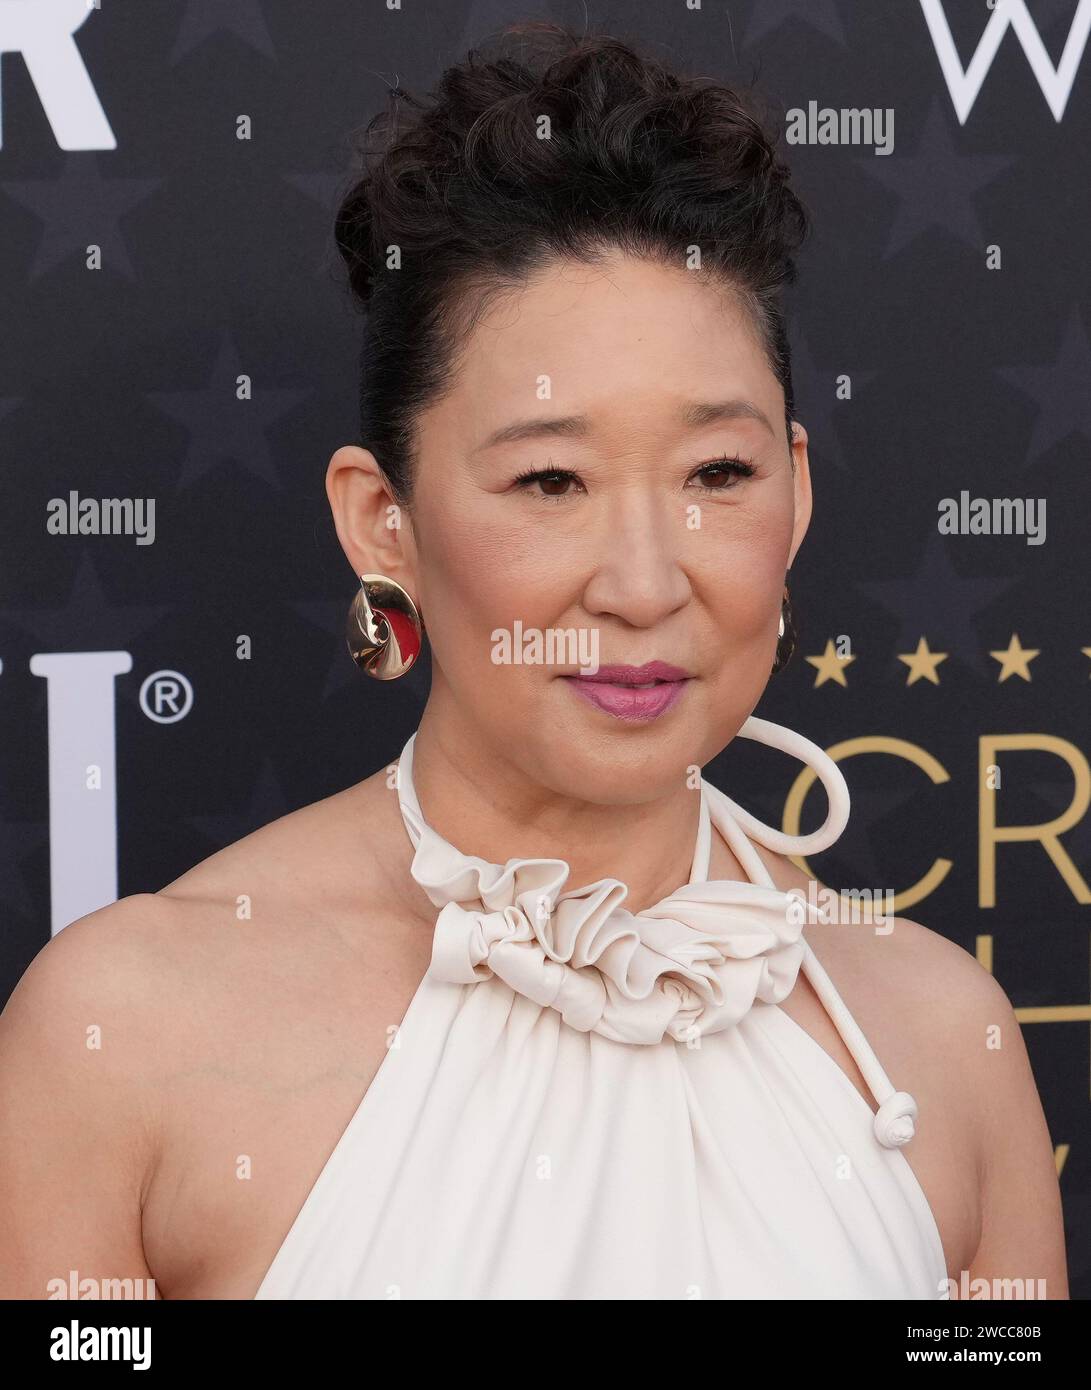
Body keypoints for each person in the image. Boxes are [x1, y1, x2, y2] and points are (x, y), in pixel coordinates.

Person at [0, 23, 1067, 1300]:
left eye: (716, 475)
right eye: (549, 478)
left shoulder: (939, 1037)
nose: (641, 583)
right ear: (379, 520)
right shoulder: (125, 1031)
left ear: (793, 490)